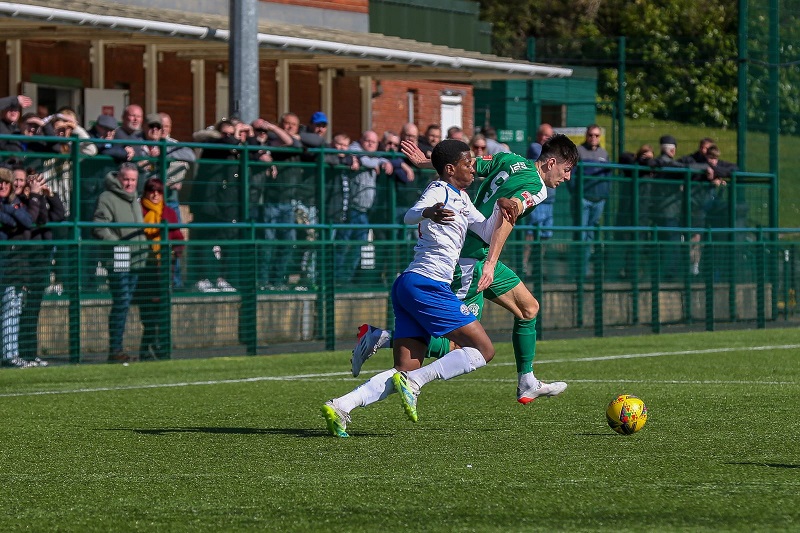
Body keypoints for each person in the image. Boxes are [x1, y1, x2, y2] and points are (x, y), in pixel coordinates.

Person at [353, 134, 579, 405]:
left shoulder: (510, 159)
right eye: (566, 170)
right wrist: (491, 264)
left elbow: (467, 165)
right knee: (466, 345)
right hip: (470, 259)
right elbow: (509, 214)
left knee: (528, 308)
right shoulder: (537, 187)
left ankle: (526, 380)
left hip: (479, 252)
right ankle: (384, 337)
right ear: (551, 162)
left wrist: (426, 162)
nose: (566, 178)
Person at [321, 139, 518, 437]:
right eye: (468, 164)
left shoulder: (463, 198)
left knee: (406, 370)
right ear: (450, 169)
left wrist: (502, 208)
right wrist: (430, 212)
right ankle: (414, 383)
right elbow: (410, 214)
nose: (473, 169)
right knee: (484, 350)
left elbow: (488, 232)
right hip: (428, 285)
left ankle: (341, 405)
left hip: (410, 285)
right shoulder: (439, 190)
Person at [93, 162, 147, 363]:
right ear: (118, 178)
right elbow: (99, 226)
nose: (130, 183)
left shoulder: (135, 199)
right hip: (119, 257)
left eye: (133, 179)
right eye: (126, 179)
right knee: (122, 301)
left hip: (137, 257)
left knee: (126, 302)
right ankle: (115, 348)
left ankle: (118, 348)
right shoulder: (107, 198)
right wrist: (116, 244)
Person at [14, 165, 64, 365]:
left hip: (39, 262)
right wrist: (36, 197)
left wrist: (49, 195)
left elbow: (58, 215)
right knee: (19, 311)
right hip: (26, 262)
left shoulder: (37, 200)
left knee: (32, 311)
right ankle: (15, 354)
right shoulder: (22, 203)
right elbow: (38, 219)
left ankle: (28, 352)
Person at [133, 177, 184, 360]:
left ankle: (156, 346)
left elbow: (178, 236)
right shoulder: (139, 210)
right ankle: (148, 347)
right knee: (147, 311)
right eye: (151, 190)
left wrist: (174, 252)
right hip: (145, 267)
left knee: (161, 309)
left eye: (159, 191)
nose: (155, 195)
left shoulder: (168, 212)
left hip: (163, 268)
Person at [333, 130, 392, 284]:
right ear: (361, 140)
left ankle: (345, 279)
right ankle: (336, 279)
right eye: (367, 140)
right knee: (343, 245)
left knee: (358, 247)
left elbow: (390, 160)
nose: (371, 144)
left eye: (374, 141)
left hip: (364, 212)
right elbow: (362, 158)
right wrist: (379, 162)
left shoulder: (376, 157)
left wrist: (382, 161)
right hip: (350, 210)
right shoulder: (355, 151)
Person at [0, 166, 35, 368]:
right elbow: (12, 223)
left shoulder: (14, 202)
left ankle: (10, 354)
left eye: (6, 182)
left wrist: (11, 206)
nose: (2, 186)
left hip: (11, 266)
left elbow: (27, 221)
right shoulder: (11, 206)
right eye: (0, 182)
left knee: (12, 310)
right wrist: (10, 213)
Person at [571, 124, 612, 277]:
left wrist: (605, 193)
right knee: (582, 234)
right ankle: (580, 271)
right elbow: (572, 174)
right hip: (583, 199)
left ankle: (590, 271)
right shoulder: (579, 151)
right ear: (586, 136)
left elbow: (608, 176)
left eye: (596, 135)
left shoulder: (604, 153)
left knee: (592, 234)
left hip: (599, 200)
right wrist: (576, 193)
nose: (593, 138)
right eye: (591, 135)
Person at [522, 123, 556, 278]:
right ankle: (523, 266)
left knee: (544, 235)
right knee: (531, 233)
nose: (545, 138)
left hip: (550, 200)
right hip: (537, 198)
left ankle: (537, 267)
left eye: (548, 136)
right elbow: (548, 158)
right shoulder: (535, 147)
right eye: (543, 135)